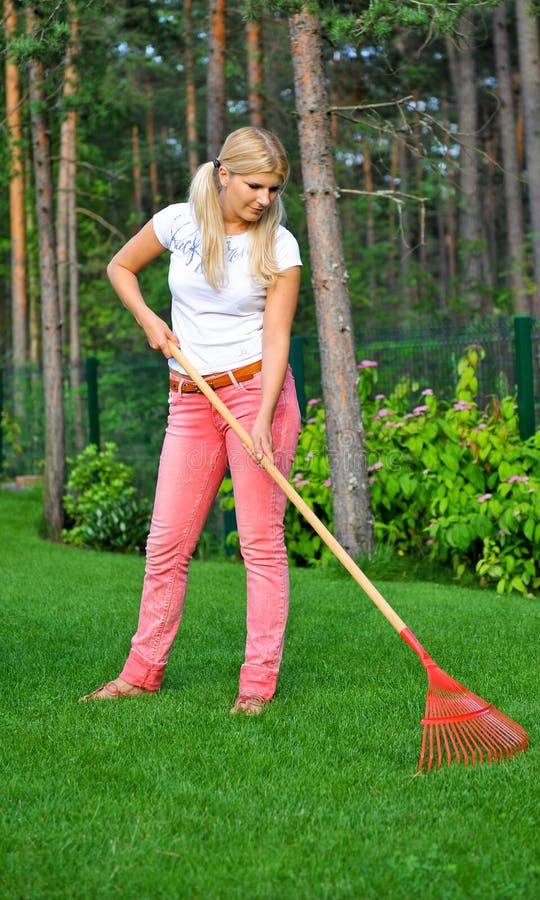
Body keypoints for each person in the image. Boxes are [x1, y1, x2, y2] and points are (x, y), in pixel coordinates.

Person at [80, 127, 302, 715]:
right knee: (166, 544)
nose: (264, 198)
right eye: (256, 185)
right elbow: (120, 267)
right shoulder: (179, 222)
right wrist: (150, 321)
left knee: (260, 545)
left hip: (259, 394)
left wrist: (261, 416)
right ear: (224, 173)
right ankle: (140, 673)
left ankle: (256, 687)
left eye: (274, 188)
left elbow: (278, 338)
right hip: (191, 399)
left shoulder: (280, 245)